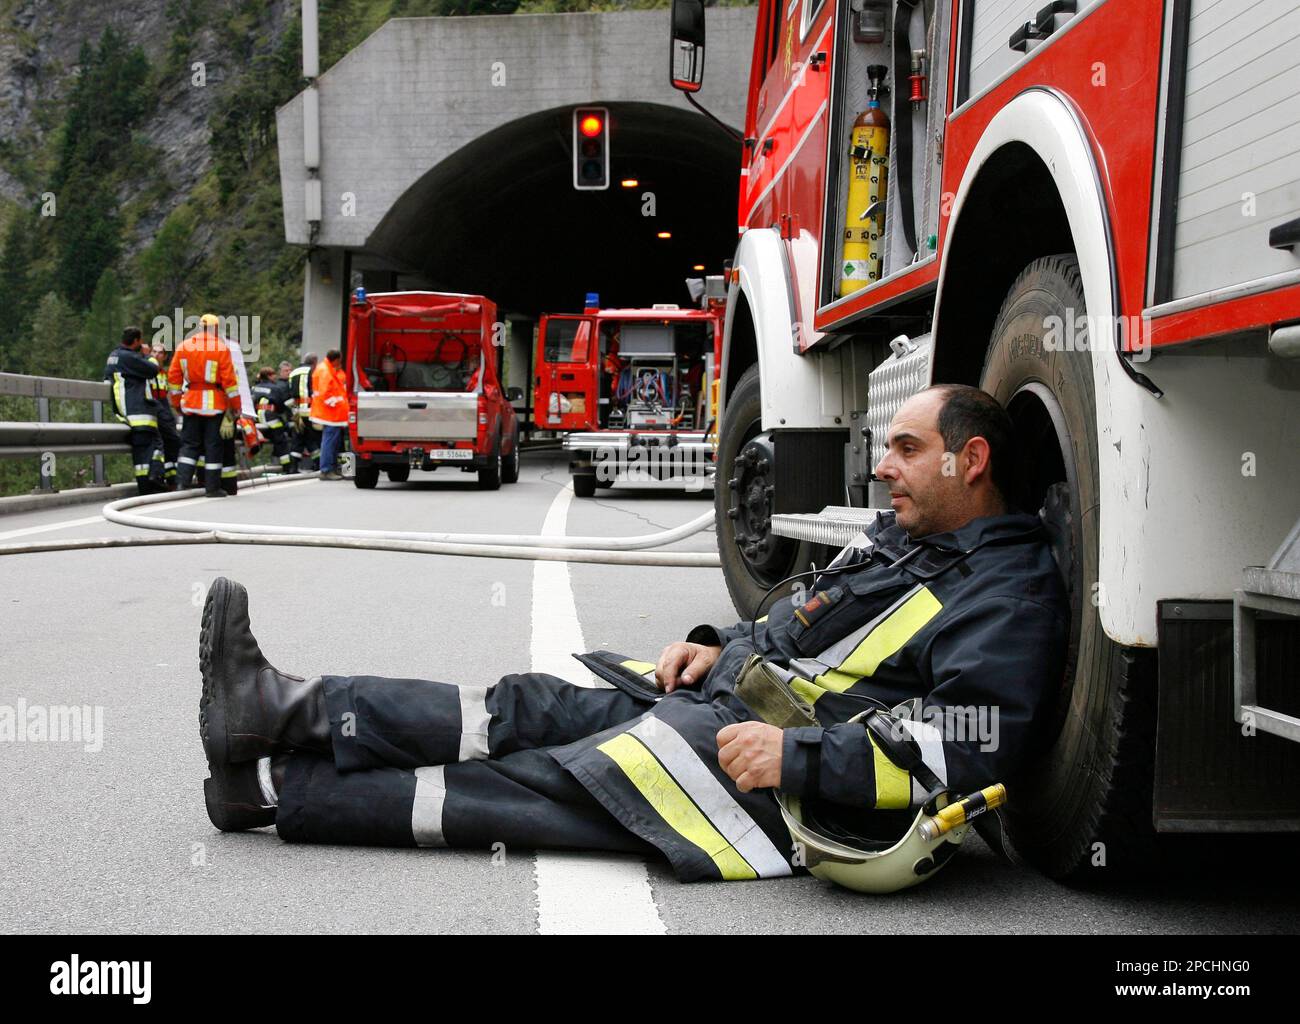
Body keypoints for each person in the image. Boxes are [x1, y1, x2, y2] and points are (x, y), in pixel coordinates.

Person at [196, 384, 1068, 885]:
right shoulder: (911, 542)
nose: (882, 467)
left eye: (906, 449)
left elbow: (965, 744)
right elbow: (806, 628)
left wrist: (797, 759)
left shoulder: (1007, 593)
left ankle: (271, 790)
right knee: (520, 707)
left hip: (775, 774)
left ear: (973, 459)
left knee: (532, 784)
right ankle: (279, 711)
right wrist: (719, 644)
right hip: (729, 702)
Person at [168, 313, 241, 498]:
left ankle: (182, 484)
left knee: (189, 445)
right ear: (216, 329)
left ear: (200, 327)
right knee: (213, 446)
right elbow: (230, 383)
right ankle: (212, 488)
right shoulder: (220, 348)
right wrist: (235, 406)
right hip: (214, 404)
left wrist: (177, 403)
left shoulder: (184, 346)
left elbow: (174, 379)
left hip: (190, 402)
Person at [103, 326, 165, 495]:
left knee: (141, 454)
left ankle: (145, 487)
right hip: (140, 411)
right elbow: (153, 370)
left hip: (126, 412)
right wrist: (148, 356)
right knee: (156, 445)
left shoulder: (113, 356)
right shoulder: (130, 357)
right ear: (136, 341)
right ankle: (155, 478)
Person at [310, 348, 348, 481]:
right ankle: (326, 470)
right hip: (331, 414)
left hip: (331, 414)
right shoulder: (326, 371)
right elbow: (326, 393)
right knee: (329, 441)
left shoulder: (325, 368)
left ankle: (329, 468)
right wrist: (338, 404)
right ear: (336, 360)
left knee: (331, 441)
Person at [147, 340, 180, 489]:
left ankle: (171, 475)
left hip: (164, 408)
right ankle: (159, 475)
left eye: (160, 352)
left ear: (165, 357)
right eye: (154, 352)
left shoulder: (164, 374)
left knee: (172, 441)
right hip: (154, 409)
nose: (156, 355)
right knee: (167, 439)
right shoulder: (147, 371)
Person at [252, 366, 293, 474]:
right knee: (282, 442)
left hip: (258, 420)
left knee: (274, 439)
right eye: (273, 374)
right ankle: (287, 468)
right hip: (271, 419)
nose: (275, 376)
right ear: (269, 376)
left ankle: (274, 461)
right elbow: (280, 406)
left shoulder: (255, 388)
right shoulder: (275, 388)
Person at [287, 354, 319, 472]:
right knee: (313, 438)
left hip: (297, 413)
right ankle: (318, 464)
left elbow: (289, 394)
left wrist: (294, 411)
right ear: (314, 362)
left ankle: (293, 467)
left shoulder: (293, 373)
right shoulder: (313, 372)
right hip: (310, 411)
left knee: (298, 438)